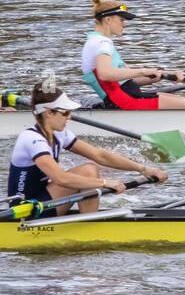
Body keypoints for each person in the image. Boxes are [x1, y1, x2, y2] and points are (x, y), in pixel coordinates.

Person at [7, 83, 168, 218]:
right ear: (49, 113)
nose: (69, 117)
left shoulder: (59, 134)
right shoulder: (32, 139)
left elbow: (100, 155)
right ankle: (89, 225)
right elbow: (61, 178)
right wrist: (105, 183)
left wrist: (144, 169)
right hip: (26, 209)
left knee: (90, 167)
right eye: (66, 113)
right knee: (88, 170)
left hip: (45, 200)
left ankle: (89, 220)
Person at [82, 0, 185, 111]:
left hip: (126, 97)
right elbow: (105, 74)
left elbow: (130, 80)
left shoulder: (96, 41)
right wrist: (143, 70)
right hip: (126, 101)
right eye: (121, 20)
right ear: (108, 20)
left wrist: (165, 75)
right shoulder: (102, 43)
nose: (124, 24)